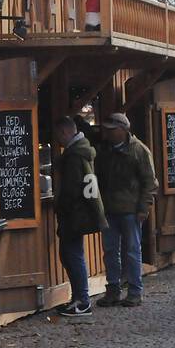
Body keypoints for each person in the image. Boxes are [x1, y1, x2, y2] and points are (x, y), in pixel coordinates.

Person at [94, 113, 157, 307]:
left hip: (131, 210)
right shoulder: (105, 150)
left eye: (112, 129)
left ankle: (135, 291)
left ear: (123, 130)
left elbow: (150, 182)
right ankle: (113, 289)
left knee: (132, 251)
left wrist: (144, 207)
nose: (108, 133)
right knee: (110, 251)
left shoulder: (139, 150)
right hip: (110, 209)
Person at [53, 116, 107, 316]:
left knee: (72, 254)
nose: (57, 140)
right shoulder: (82, 152)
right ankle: (79, 298)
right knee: (71, 254)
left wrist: (61, 206)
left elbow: (72, 188)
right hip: (80, 212)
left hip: (74, 213)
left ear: (66, 132)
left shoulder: (74, 156)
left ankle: (82, 301)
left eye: (59, 135)